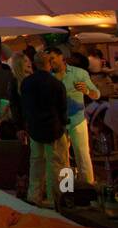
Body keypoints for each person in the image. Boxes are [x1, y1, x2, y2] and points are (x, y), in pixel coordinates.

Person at [46, 46, 100, 186]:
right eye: (48, 59)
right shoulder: (49, 77)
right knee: (63, 159)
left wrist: (87, 90)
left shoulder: (79, 73)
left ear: (61, 57)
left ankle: (88, 188)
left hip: (77, 119)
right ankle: (67, 191)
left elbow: (96, 94)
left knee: (82, 155)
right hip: (59, 122)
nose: (50, 62)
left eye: (52, 58)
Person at [21, 52, 70, 207]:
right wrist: (64, 124)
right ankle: (57, 198)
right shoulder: (55, 83)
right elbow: (62, 107)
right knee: (57, 164)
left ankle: (34, 196)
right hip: (53, 127)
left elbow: (25, 106)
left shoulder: (26, 83)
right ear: (48, 63)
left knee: (36, 162)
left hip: (35, 127)